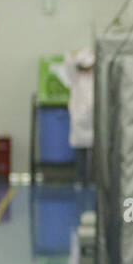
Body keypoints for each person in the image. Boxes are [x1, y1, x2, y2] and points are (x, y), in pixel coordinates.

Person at [54, 47, 95, 186]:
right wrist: (76, 54)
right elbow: (68, 62)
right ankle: (80, 179)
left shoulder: (96, 77)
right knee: (80, 150)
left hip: (94, 119)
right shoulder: (75, 78)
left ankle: (93, 180)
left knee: (94, 151)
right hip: (79, 119)